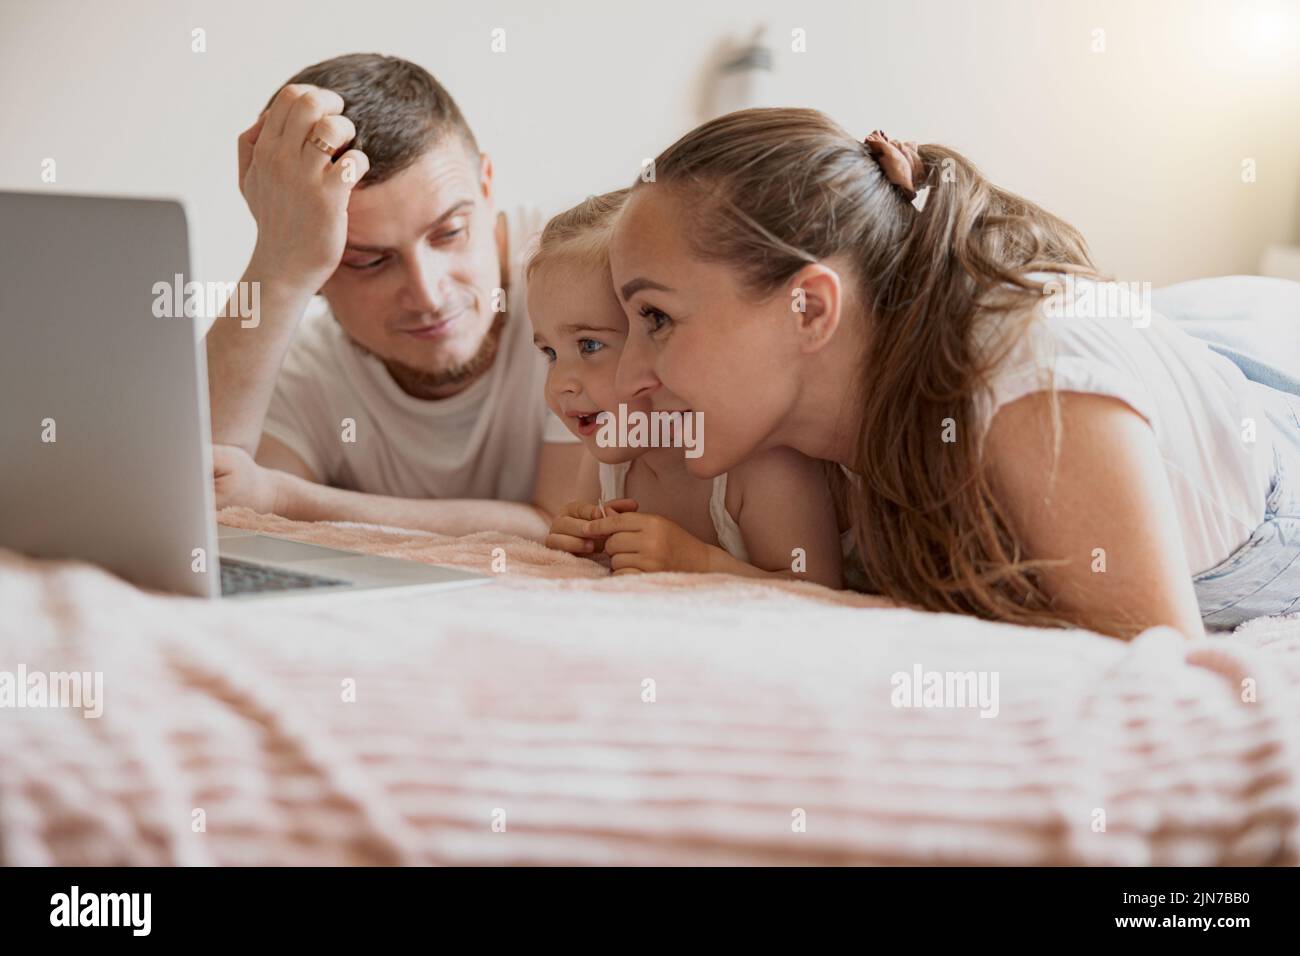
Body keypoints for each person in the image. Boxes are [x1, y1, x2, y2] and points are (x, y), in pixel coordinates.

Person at [597, 107, 1300, 638]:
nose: (627, 377)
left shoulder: (1031, 384)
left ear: (808, 308)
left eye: (656, 318)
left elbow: (1155, 676)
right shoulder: (813, 419)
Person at [205, 54, 581, 539]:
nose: (428, 293)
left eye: (450, 232)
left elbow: (563, 523)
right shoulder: (304, 370)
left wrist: (284, 499)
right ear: (316, 267)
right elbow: (205, 497)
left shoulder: (579, 280)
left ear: (487, 189)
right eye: (369, 261)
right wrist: (275, 265)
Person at [528, 190, 842, 586]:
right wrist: (580, 545)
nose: (559, 385)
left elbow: (818, 588)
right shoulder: (608, 461)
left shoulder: (763, 465)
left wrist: (698, 563)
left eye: (590, 345)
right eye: (550, 353)